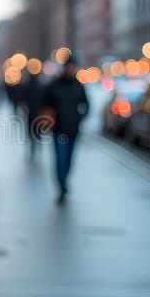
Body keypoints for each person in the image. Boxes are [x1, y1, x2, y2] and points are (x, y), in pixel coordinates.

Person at [43, 57, 88, 202]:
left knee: (68, 160)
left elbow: (86, 105)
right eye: (68, 66)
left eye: (72, 67)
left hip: (73, 130)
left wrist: (79, 119)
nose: (70, 69)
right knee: (60, 159)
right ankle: (61, 186)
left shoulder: (78, 86)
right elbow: (45, 105)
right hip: (58, 130)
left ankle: (64, 181)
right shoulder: (54, 85)